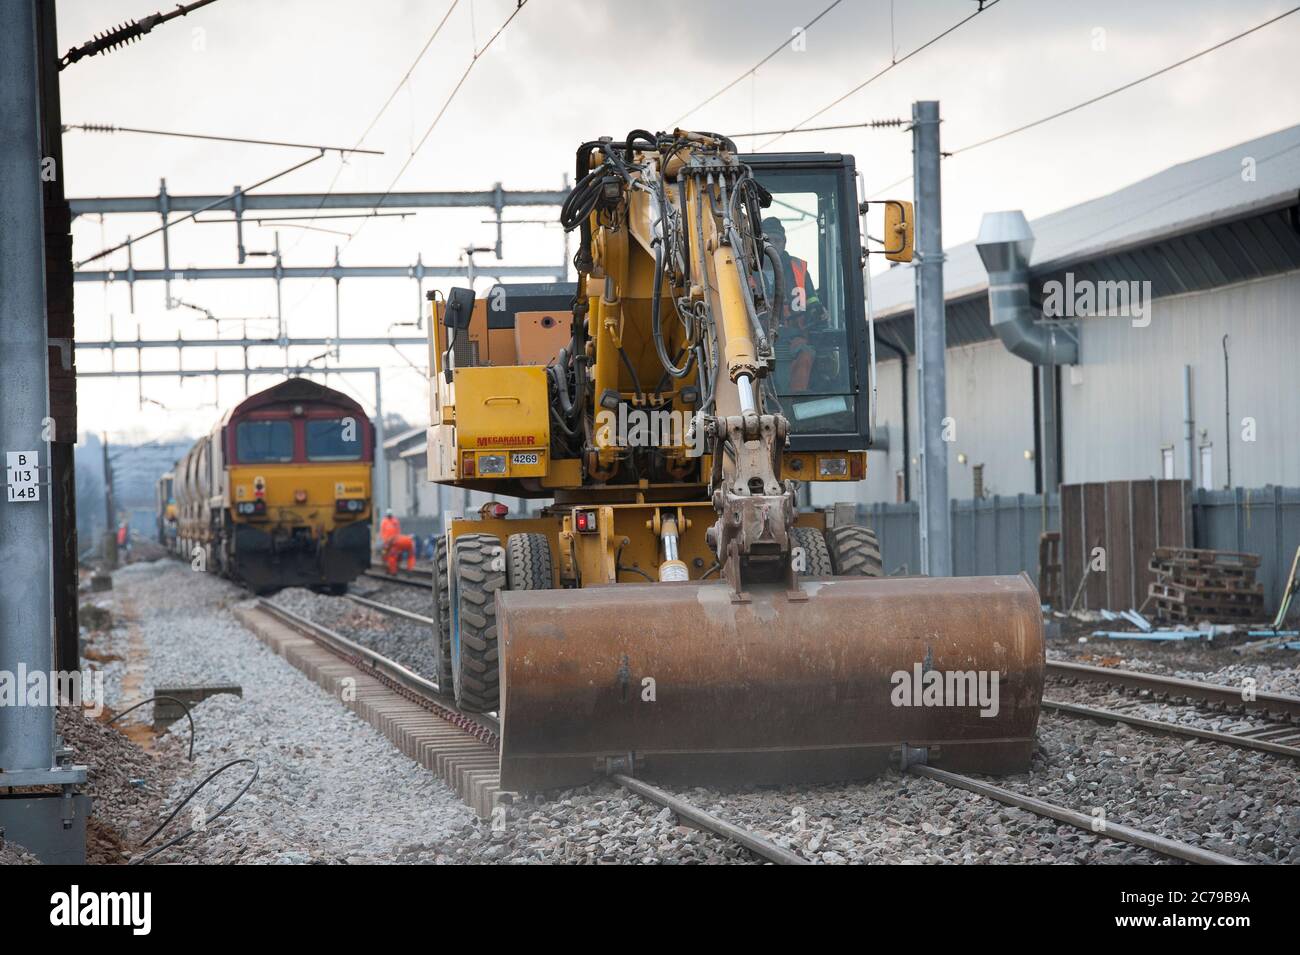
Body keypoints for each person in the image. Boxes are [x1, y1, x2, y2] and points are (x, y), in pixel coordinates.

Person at [761, 216, 823, 393]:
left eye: (777, 240)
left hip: (794, 336)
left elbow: (812, 300)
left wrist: (817, 310)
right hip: (759, 340)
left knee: (805, 353)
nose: (773, 244)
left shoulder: (799, 269)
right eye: (767, 240)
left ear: (784, 242)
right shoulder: (745, 268)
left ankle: (797, 400)